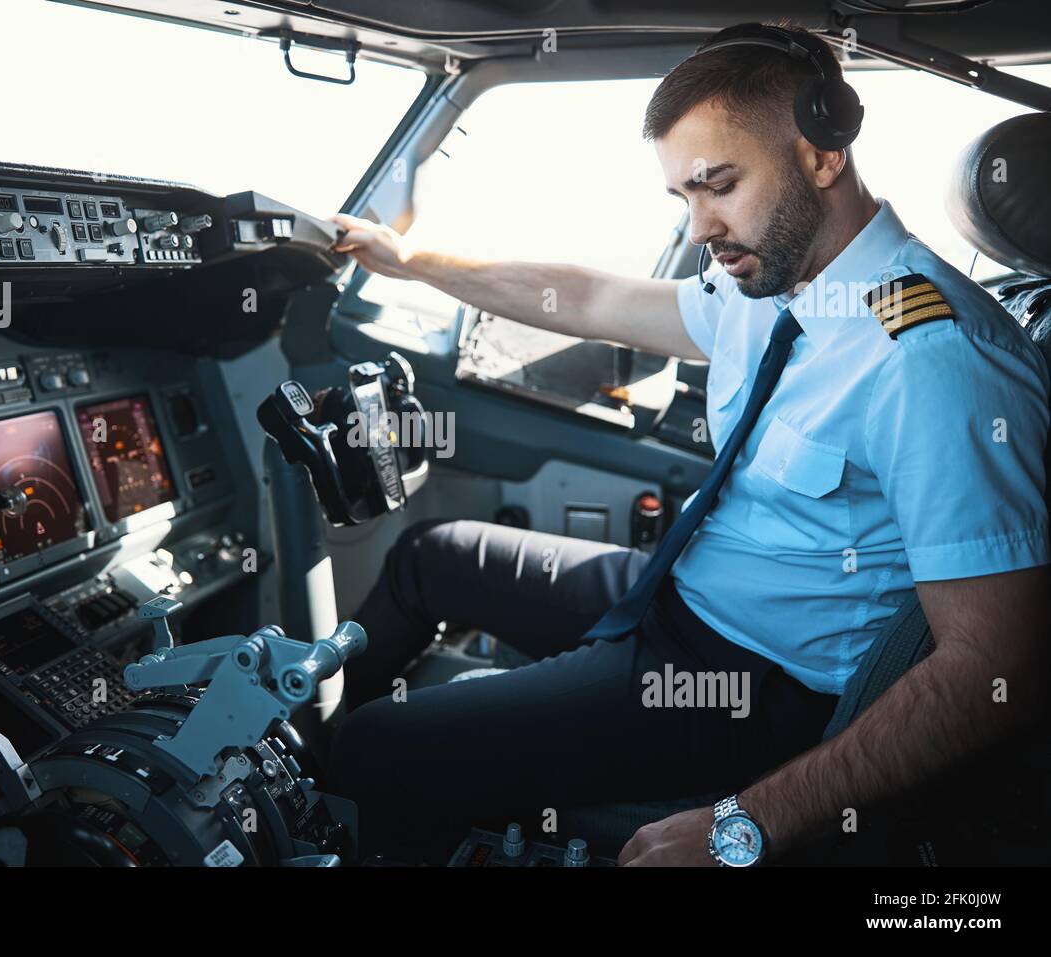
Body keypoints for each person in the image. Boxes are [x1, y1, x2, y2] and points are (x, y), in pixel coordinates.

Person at [323, 22, 1050, 866]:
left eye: (721, 185)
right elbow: (589, 299)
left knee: (376, 750)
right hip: (674, 595)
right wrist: (412, 261)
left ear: (822, 154)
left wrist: (747, 823)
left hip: (747, 680)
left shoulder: (931, 358)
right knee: (430, 556)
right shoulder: (765, 278)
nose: (703, 224)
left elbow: (995, 667)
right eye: (685, 198)